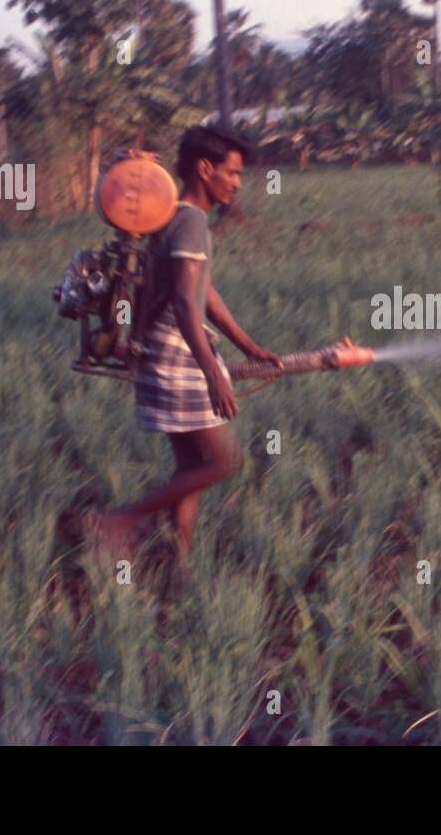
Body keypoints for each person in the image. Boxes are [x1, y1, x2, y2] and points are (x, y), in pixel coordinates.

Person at [87, 125, 282, 565]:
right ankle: (118, 521)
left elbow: (202, 293)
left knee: (190, 471)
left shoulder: (172, 215)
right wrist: (214, 372)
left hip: (160, 351)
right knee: (224, 461)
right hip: (178, 357)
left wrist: (247, 345)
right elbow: (183, 299)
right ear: (204, 168)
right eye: (232, 173)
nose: (236, 183)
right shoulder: (192, 221)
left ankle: (182, 570)